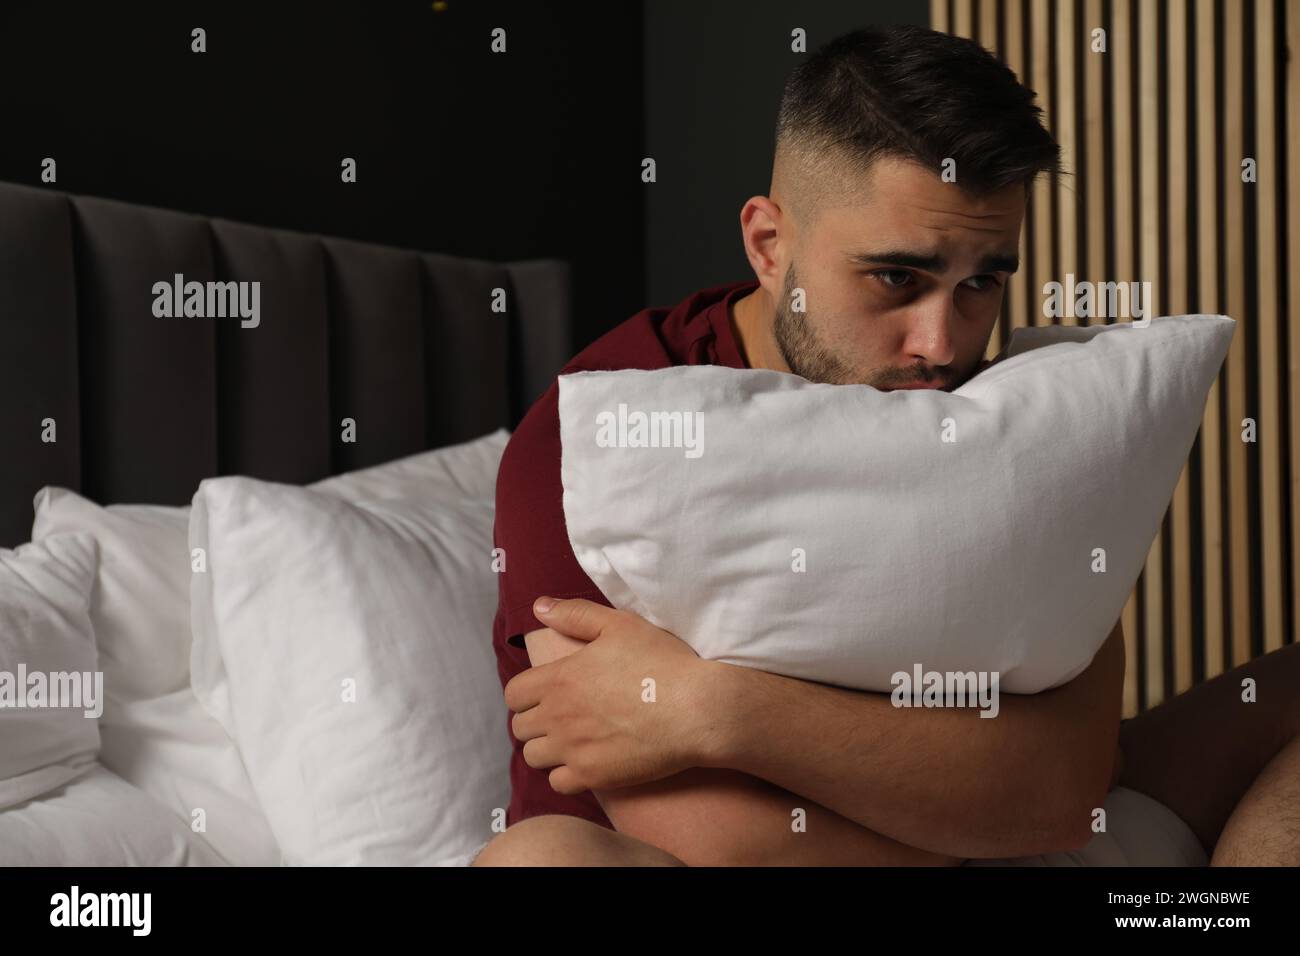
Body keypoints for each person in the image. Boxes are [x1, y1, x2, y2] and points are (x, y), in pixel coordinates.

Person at [473, 24, 1300, 867]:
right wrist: (1004, 803)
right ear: (768, 244)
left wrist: (718, 710)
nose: (943, 345)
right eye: (897, 278)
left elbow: (1072, 779)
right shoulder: (599, 440)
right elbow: (719, 840)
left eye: (982, 281)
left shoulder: (1008, 401)